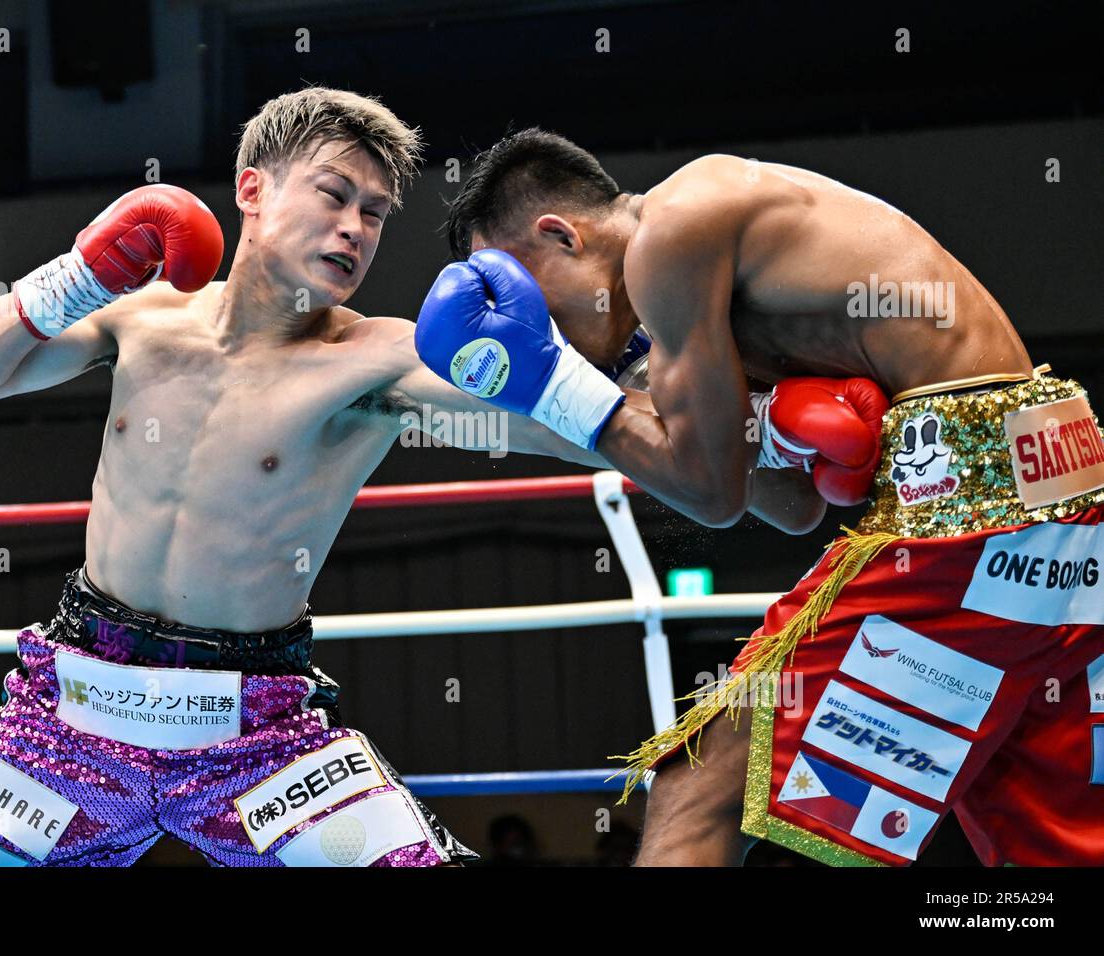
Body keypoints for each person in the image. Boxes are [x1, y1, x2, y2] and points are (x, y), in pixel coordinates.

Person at [0, 89, 622, 869]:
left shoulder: (382, 357)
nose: (353, 228)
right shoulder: (140, 315)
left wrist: (555, 372)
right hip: (66, 716)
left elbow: (589, 441)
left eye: (373, 214)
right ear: (253, 189)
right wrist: (79, 277)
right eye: (334, 195)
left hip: (261, 738)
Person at [416, 129, 1104, 866]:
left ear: (563, 236)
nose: (541, 330)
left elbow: (709, 496)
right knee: (1036, 836)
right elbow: (789, 505)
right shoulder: (696, 302)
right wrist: (755, 423)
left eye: (532, 300)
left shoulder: (673, 230)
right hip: (1059, 496)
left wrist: (557, 388)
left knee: (696, 784)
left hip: (967, 505)